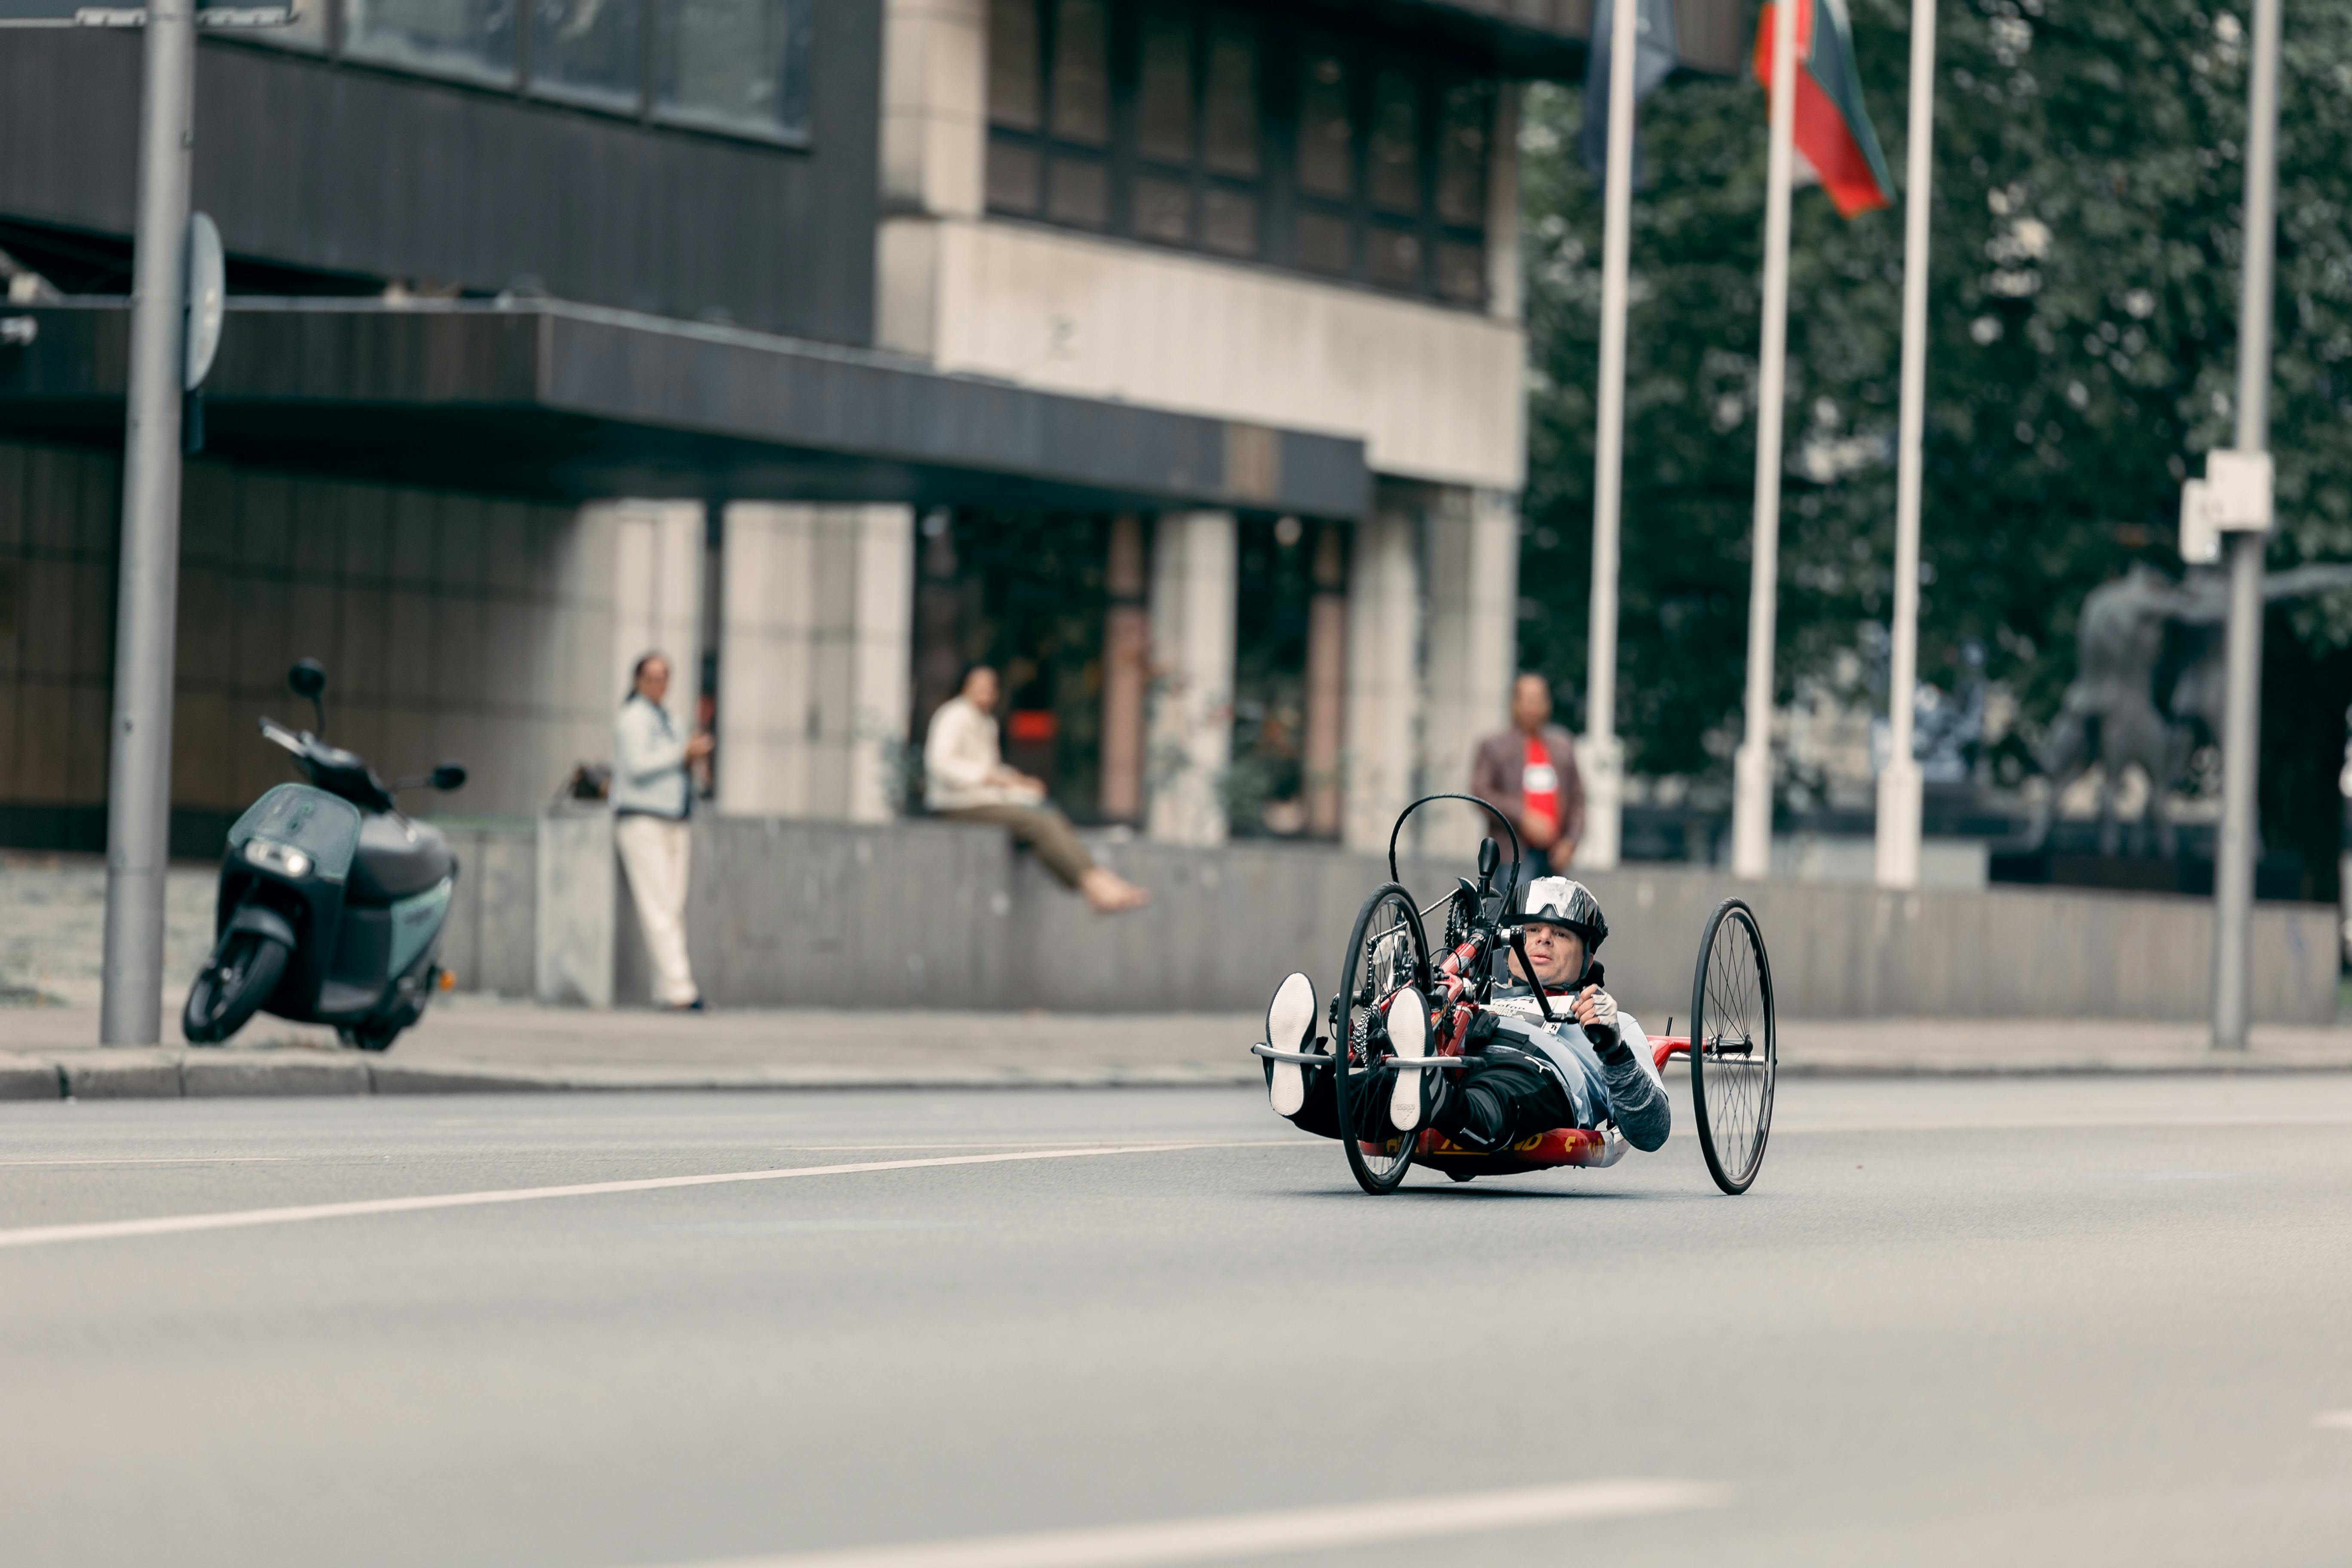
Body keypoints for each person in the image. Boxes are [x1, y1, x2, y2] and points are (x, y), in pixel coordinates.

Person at [1261, 876, 1669, 1156]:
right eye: (1529, 931)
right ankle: (1303, 1089)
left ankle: (1434, 1094)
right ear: (1510, 944)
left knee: (1497, 1091)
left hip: (1541, 1068)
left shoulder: (1610, 1020)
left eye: (1560, 934)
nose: (1542, 938)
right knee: (1385, 1086)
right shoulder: (1477, 991)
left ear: (1589, 955)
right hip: (1453, 1057)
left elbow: (1652, 1131)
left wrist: (1613, 1049)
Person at [924, 665, 1149, 913]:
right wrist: (991, 778)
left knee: (1046, 811)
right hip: (956, 804)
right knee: (1038, 820)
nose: (984, 694)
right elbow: (942, 763)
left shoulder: (986, 722)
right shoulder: (954, 714)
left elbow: (992, 771)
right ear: (964, 687)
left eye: (990, 688)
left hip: (980, 800)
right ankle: (1096, 885)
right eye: (978, 687)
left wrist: (1020, 782)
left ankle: (1096, 883)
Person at [612, 652, 714, 1011]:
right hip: (642, 819)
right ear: (638, 680)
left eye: (664, 677)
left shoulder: (670, 718)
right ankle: (680, 990)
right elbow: (638, 766)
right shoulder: (632, 718)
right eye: (651, 677)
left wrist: (691, 758)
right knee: (658, 907)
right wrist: (681, 753)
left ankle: (665, 988)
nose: (658, 684)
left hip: (675, 818)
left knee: (672, 907)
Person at [1471, 673, 1584, 873]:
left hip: (1554, 853)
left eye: (1539, 700)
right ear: (1514, 703)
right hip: (1512, 853)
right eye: (1528, 700)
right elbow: (1481, 792)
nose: (1533, 707)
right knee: (1516, 903)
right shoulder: (1494, 747)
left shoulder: (1562, 747)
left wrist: (1571, 841)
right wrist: (1523, 816)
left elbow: (1578, 799)